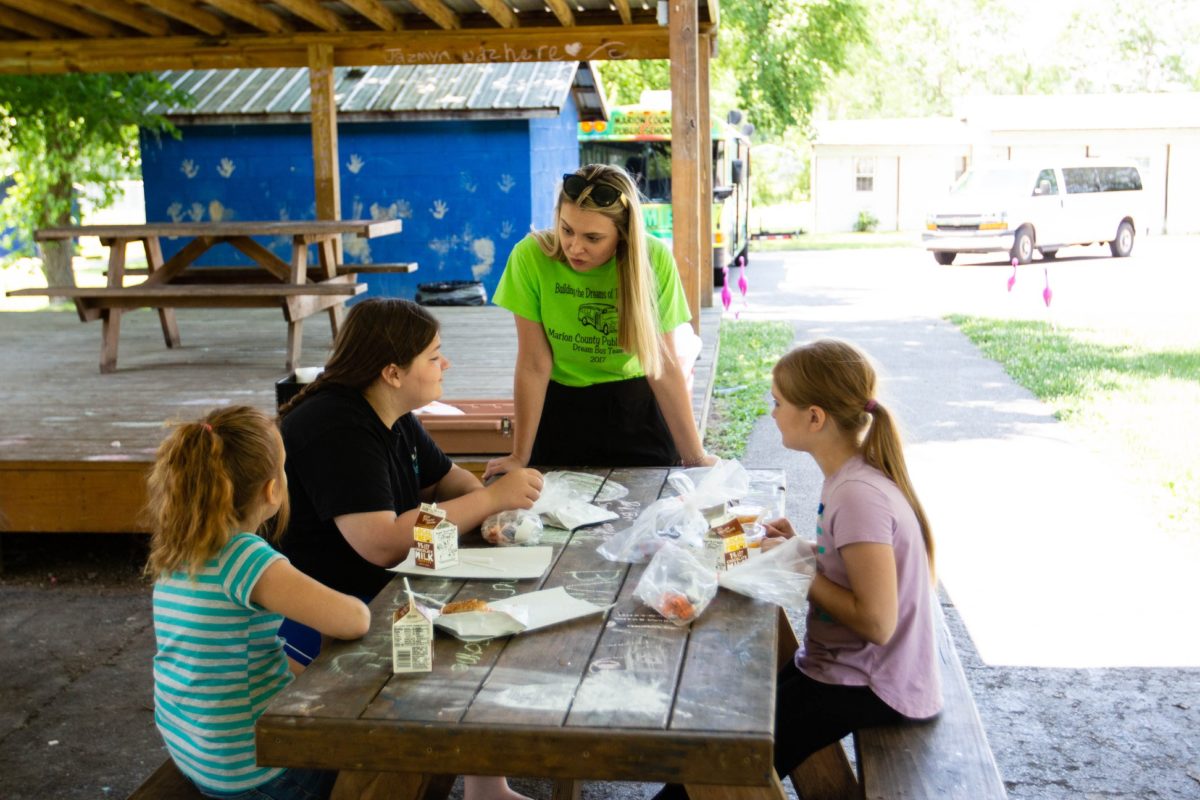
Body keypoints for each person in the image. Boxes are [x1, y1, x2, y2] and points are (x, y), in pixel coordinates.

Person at [276, 298, 541, 800]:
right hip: (326, 616)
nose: (447, 364)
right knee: (463, 640)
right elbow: (380, 542)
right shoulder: (336, 425)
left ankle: (487, 785)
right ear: (393, 372)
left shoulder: (392, 411)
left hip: (379, 594)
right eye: (435, 356)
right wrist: (490, 498)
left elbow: (447, 481)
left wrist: (497, 512)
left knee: (487, 617)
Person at [655, 339, 942, 800]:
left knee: (716, 764)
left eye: (777, 402)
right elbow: (851, 566)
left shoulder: (857, 495)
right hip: (849, 669)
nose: (771, 413)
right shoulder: (851, 476)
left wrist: (799, 567)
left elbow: (878, 622)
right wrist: (799, 548)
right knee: (729, 717)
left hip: (870, 684)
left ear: (815, 417)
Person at [145, 405, 371, 800]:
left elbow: (223, 657)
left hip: (197, 752)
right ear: (272, 490)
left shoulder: (177, 548)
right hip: (260, 772)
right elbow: (354, 619)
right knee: (384, 748)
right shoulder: (246, 557)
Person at [484, 163, 717, 477]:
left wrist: (696, 456)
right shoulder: (529, 256)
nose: (574, 247)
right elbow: (534, 363)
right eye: (566, 229)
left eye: (592, 238)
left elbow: (662, 364)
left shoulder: (654, 258)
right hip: (560, 411)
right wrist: (519, 455)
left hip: (637, 411)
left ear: (622, 235)